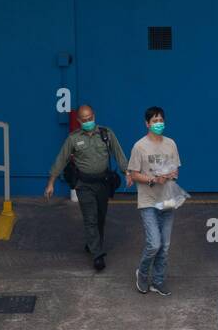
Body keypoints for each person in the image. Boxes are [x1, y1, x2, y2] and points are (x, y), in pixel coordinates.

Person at [44, 104, 129, 271]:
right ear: (79, 120)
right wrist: (51, 183)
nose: (88, 121)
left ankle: (92, 244)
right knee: (90, 218)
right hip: (84, 185)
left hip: (102, 183)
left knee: (100, 218)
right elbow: (61, 160)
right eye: (85, 119)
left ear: (94, 116)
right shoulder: (73, 138)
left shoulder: (106, 134)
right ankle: (98, 255)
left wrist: (127, 172)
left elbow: (119, 154)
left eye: (90, 118)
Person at [126, 106, 181, 296]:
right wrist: (153, 179)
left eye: (161, 120)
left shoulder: (171, 144)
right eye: (154, 121)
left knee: (164, 246)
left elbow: (176, 169)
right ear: (147, 124)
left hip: (166, 199)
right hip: (148, 200)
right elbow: (133, 174)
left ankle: (158, 280)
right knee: (154, 243)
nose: (159, 124)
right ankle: (142, 273)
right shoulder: (139, 146)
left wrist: (171, 174)